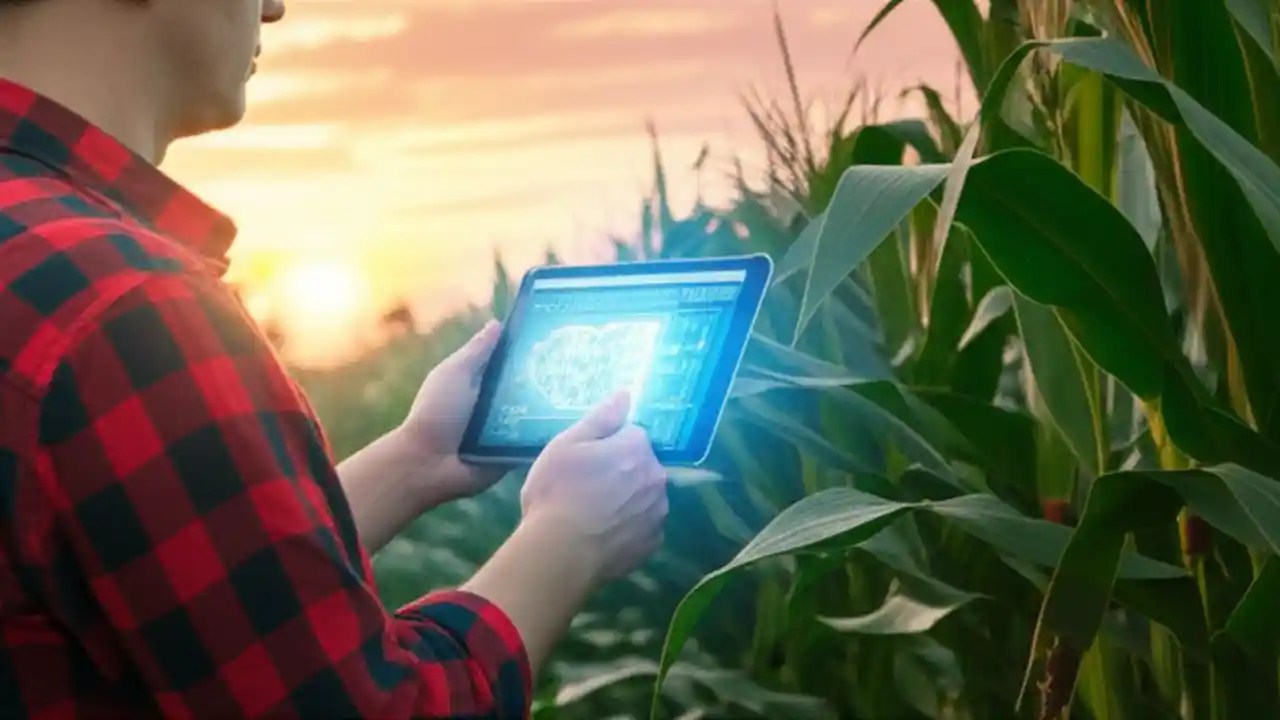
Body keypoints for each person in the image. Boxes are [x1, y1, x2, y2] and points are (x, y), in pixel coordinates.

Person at [0, 0, 669, 717]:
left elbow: (186, 575)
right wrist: (567, 541)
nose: (274, 8)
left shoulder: (34, 245)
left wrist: (415, 460)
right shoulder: (128, 302)